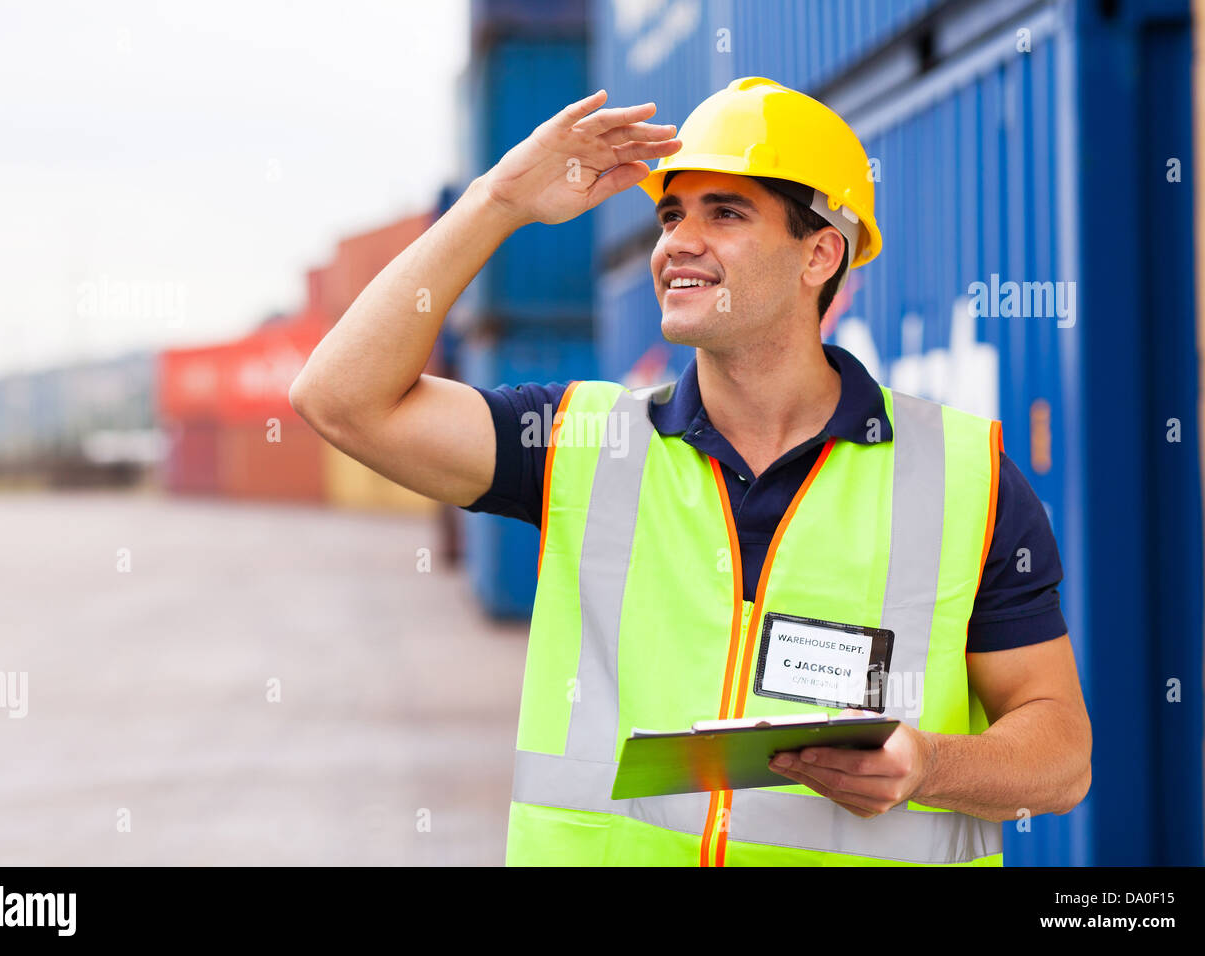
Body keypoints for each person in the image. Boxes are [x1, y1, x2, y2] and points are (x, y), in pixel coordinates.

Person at [290, 77, 1091, 866]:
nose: (677, 240)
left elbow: (1060, 757)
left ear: (820, 253)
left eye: (726, 213)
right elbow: (340, 400)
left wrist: (927, 766)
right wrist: (499, 199)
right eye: (672, 214)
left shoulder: (964, 475)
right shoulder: (581, 442)